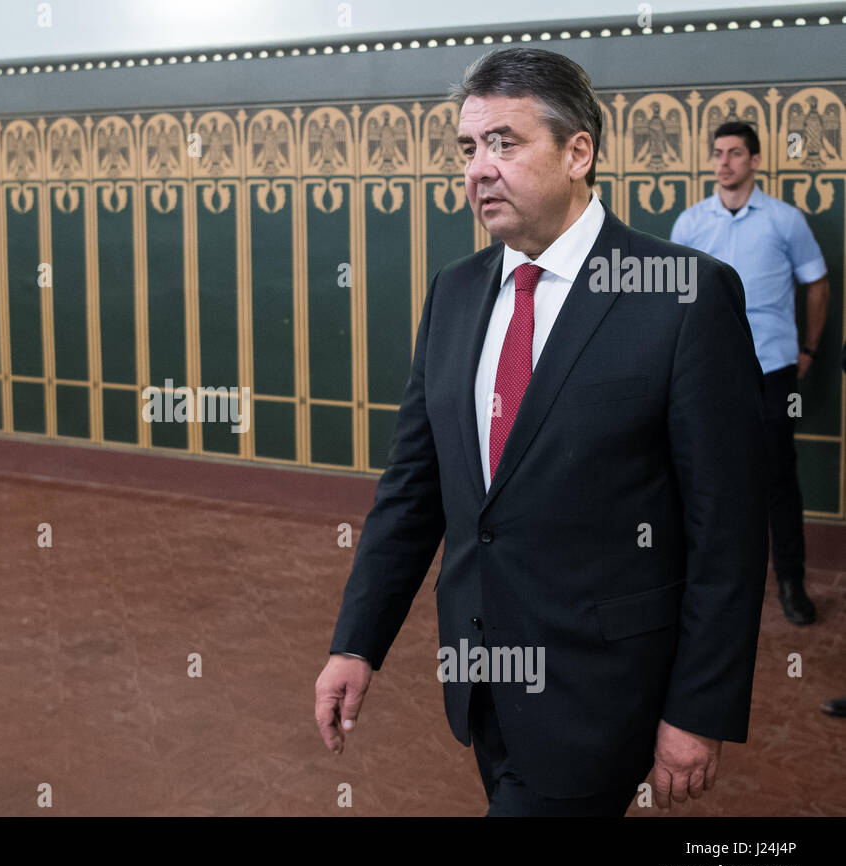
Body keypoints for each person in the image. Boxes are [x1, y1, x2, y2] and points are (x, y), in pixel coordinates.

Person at [314, 47, 768, 816]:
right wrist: (357, 641)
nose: (479, 169)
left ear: (577, 152)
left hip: (605, 693)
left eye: (504, 142)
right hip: (483, 682)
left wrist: (699, 709)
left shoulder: (681, 296)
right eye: (467, 148)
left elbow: (726, 530)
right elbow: (413, 491)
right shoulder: (455, 295)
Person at [670, 121, 830, 625]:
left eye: (735, 153)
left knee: (779, 477)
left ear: (754, 161)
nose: (724, 162)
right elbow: (676, 298)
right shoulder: (691, 224)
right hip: (708, 375)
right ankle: (716, 586)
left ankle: (789, 582)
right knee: (706, 479)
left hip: (774, 371)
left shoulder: (785, 221)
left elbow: (818, 285)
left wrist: (807, 349)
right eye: (718, 153)